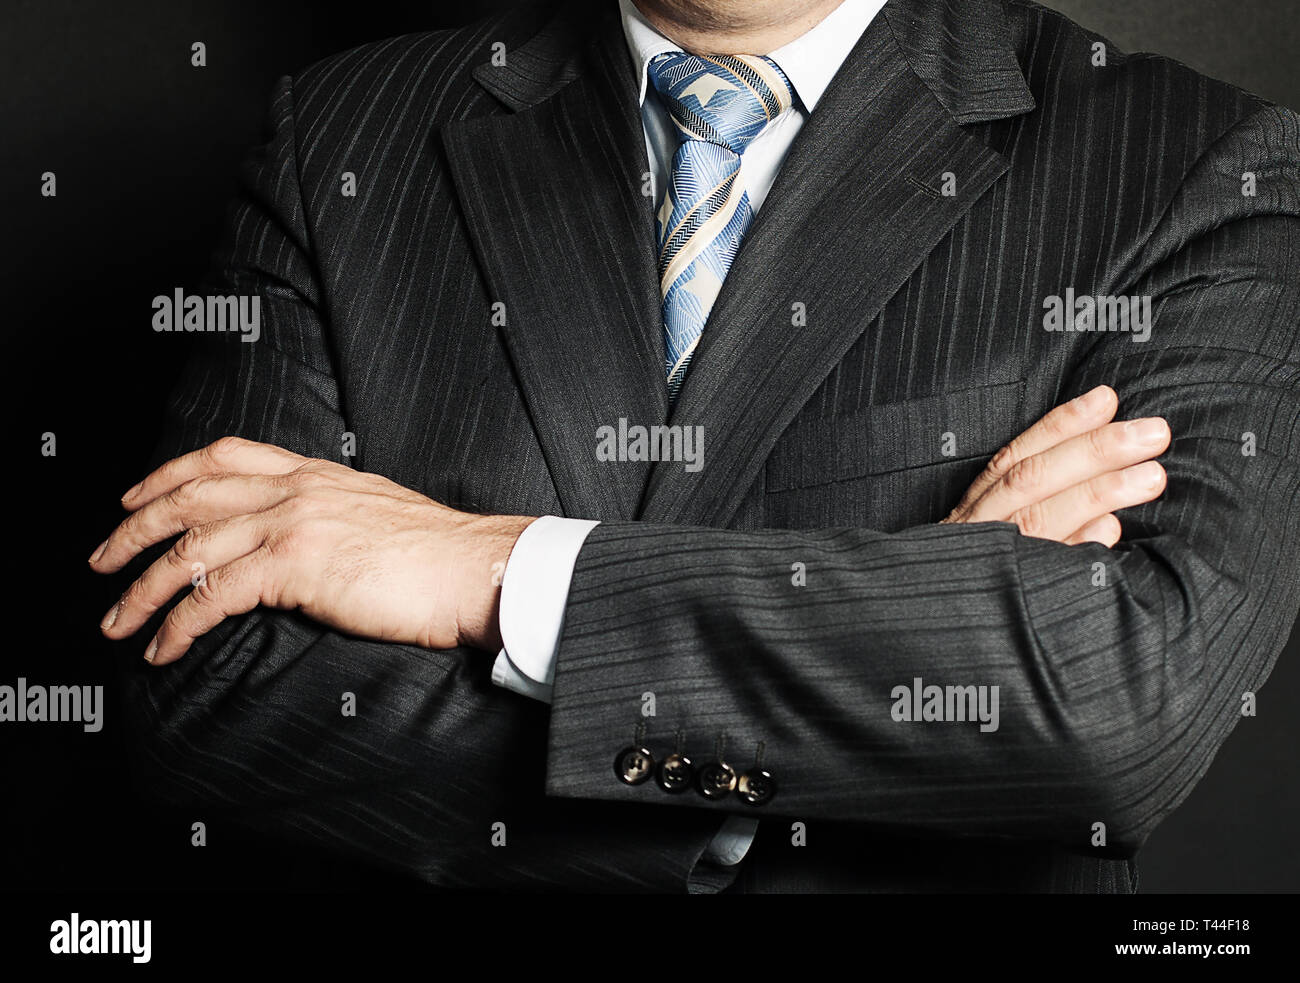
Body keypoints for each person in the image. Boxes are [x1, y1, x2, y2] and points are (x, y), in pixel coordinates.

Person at [90, 0, 1300, 891]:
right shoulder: (346, 132)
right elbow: (202, 686)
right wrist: (909, 637)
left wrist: (507, 574)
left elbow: (1117, 698)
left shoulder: (1191, 164)